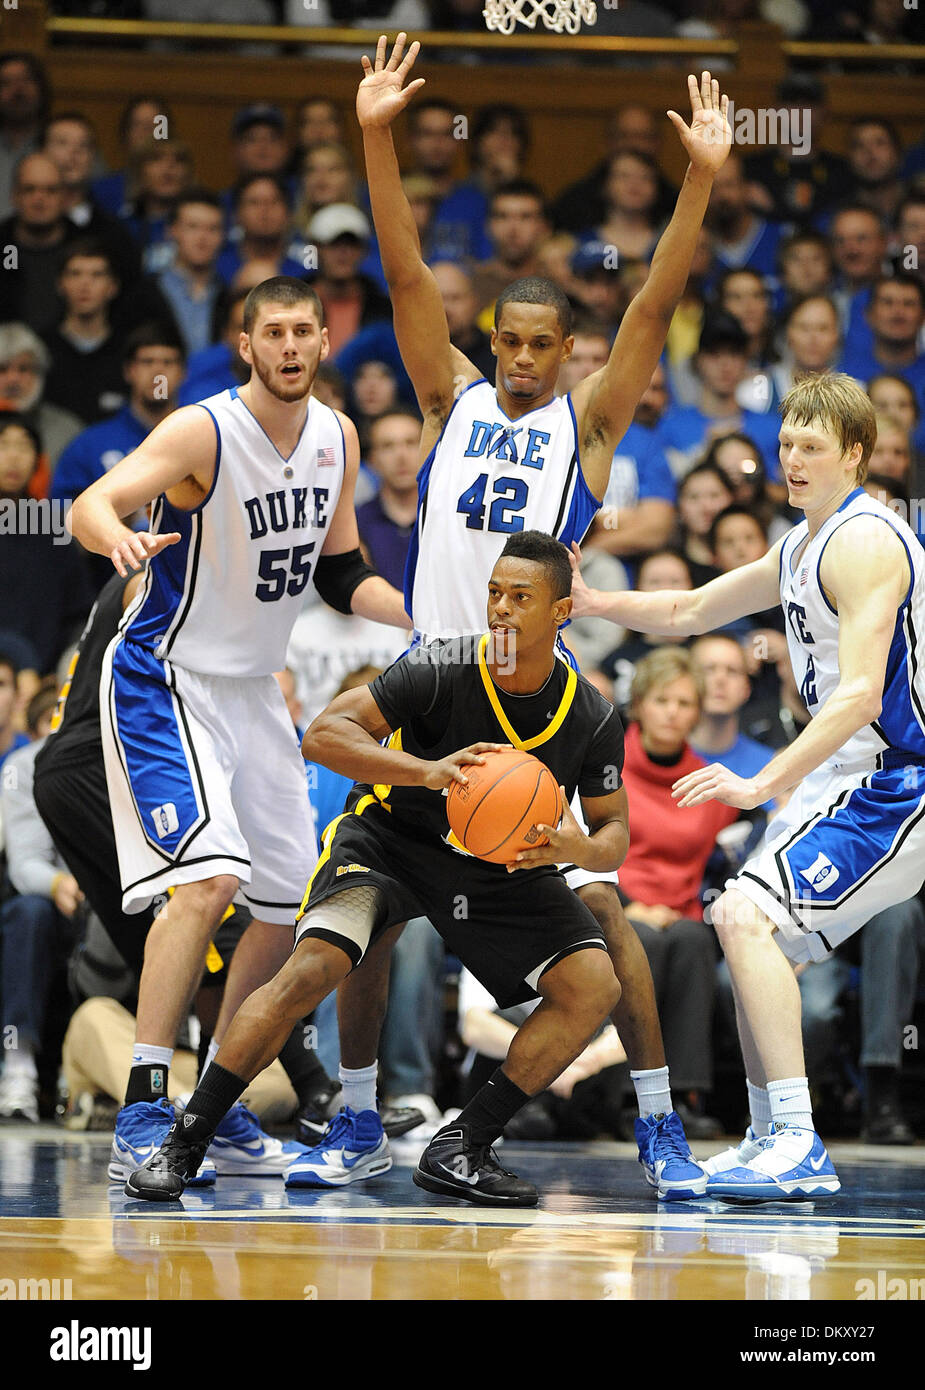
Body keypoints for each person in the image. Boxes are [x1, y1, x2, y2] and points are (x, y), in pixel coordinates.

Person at [324, 36, 737, 1200]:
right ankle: (358, 1120)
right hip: (429, 686)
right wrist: (375, 134)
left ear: (568, 353)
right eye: (501, 339)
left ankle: (659, 1124)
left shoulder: (588, 432)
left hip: (536, 705)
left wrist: (699, 174)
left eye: (535, 346)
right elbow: (408, 281)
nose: (513, 358)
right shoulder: (448, 396)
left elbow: (654, 298)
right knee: (369, 914)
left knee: (607, 921)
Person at [123, 532, 640, 1207]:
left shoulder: (592, 715)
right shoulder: (442, 664)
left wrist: (576, 849)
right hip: (389, 840)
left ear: (561, 611)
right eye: (493, 594)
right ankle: (185, 1142)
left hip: (496, 864)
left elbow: (614, 834)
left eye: (521, 598)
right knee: (310, 968)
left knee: (591, 984)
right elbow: (325, 734)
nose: (501, 611)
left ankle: (461, 1146)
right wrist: (429, 773)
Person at [67, 275, 411, 1185]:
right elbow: (87, 505)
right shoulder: (202, 430)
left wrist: (420, 617)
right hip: (165, 677)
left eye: (306, 329)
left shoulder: (338, 436)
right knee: (210, 877)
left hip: (255, 690)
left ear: (326, 340)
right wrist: (119, 540)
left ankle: (208, 1108)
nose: (292, 345)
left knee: (288, 899)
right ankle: (142, 1103)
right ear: (246, 345)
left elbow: (340, 573)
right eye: (273, 333)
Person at [570, 371, 925, 1199]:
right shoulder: (799, 541)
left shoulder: (864, 540)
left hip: (895, 781)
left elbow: (862, 694)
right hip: (841, 774)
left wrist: (760, 780)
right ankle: (770, 1135)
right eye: (786, 445)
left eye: (812, 447)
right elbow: (693, 608)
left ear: (855, 454)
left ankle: (798, 1140)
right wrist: (592, 598)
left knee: (742, 915)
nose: (793, 460)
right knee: (740, 924)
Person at [617, 647, 739, 1134]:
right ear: (641, 703)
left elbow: (738, 845)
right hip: (613, 907)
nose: (673, 712)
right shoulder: (604, 766)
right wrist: (632, 907)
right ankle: (628, 1097)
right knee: (640, 941)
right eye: (663, 699)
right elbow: (578, 848)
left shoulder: (708, 780)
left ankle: (685, 1098)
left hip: (683, 913)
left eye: (685, 703)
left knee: (691, 941)